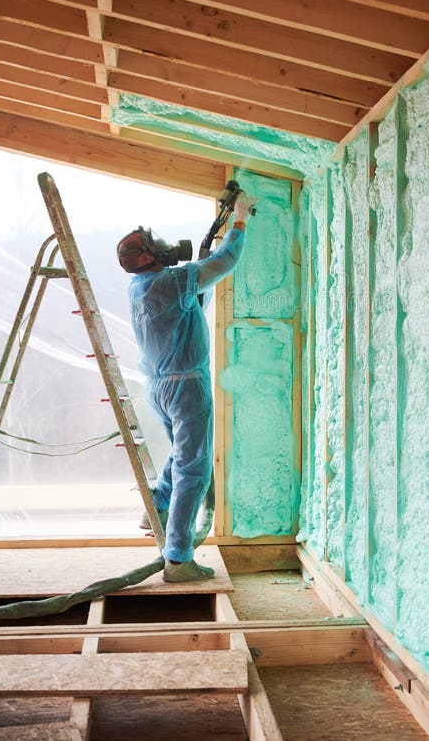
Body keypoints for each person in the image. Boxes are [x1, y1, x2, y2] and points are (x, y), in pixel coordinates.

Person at [116, 193, 256, 582]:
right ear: (146, 258)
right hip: (187, 389)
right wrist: (239, 220)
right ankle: (178, 559)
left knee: (183, 454)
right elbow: (225, 264)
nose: (163, 245)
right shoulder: (172, 279)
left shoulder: (141, 286)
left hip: (160, 388)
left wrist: (205, 251)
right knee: (194, 470)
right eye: (153, 243)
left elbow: (193, 303)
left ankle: (156, 505)